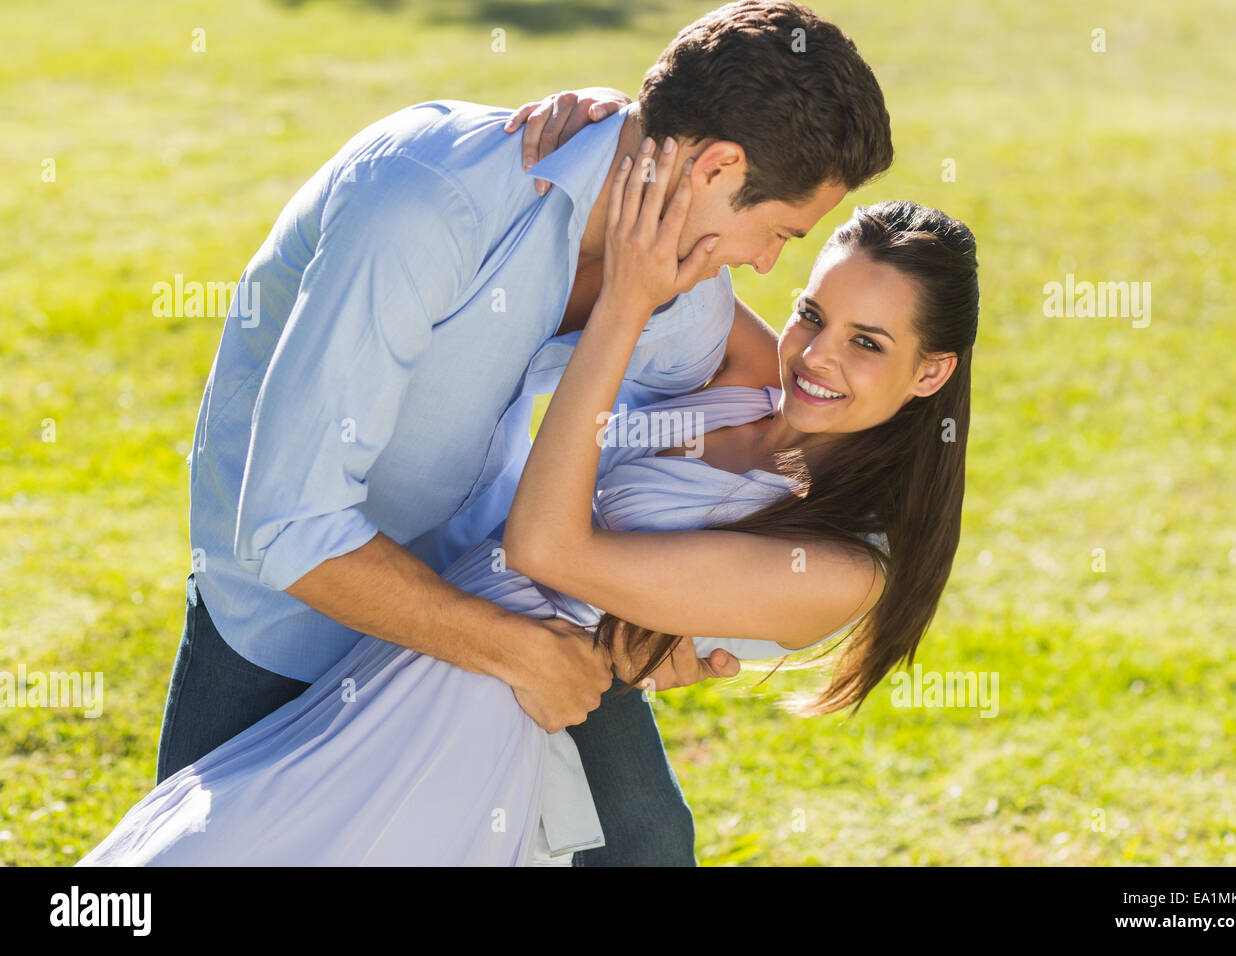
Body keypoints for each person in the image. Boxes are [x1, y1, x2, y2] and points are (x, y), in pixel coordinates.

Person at [78, 136, 978, 865]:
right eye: (813, 315)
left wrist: (623, 312)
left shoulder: (839, 568)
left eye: (868, 343)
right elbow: (673, 206)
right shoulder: (754, 381)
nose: (817, 358)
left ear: (930, 370)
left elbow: (547, 549)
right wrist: (600, 124)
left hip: (498, 707)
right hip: (436, 633)